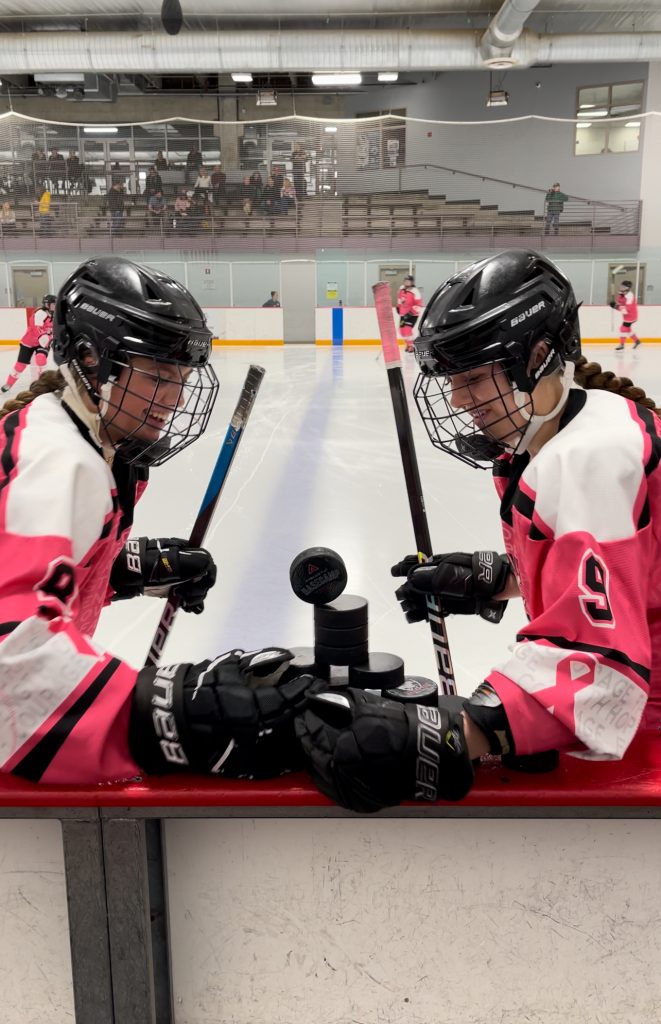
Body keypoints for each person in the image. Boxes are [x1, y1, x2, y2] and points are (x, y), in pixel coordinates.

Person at [296, 249, 661, 813]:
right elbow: (624, 573)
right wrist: (499, 578)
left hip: (646, 725)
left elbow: (601, 670)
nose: (461, 401)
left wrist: (465, 731)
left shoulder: (590, 458)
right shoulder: (573, 427)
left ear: (538, 357)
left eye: (472, 379)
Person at [0, 256, 320, 784]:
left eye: (182, 377)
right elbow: (12, 667)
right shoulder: (58, 463)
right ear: (90, 359)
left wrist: (121, 569)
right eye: (158, 376)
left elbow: (27, 578)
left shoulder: (87, 442)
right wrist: (173, 716)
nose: (173, 398)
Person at [1, 294, 56, 394]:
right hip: (29, 343)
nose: (54, 307)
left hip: (42, 343)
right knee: (20, 366)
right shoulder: (40, 313)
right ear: (46, 305)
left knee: (41, 359)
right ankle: (8, 384)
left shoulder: (55, 315)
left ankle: (42, 384)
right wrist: (47, 339)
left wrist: (53, 339)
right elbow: (36, 328)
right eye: (53, 305)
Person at [610, 279, 642, 352]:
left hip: (631, 315)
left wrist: (616, 307)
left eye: (623, 287)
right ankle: (637, 341)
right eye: (621, 286)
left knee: (623, 329)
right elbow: (620, 305)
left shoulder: (629, 296)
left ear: (627, 288)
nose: (621, 288)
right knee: (627, 329)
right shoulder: (621, 294)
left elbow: (626, 310)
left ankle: (622, 345)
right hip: (627, 316)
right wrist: (615, 305)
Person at [396, 275, 423, 353]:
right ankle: (408, 344)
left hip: (412, 315)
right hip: (403, 314)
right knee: (402, 331)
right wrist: (398, 307)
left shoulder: (415, 291)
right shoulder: (401, 289)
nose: (407, 282)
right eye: (405, 281)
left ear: (412, 282)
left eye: (408, 281)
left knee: (407, 330)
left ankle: (411, 346)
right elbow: (400, 299)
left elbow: (419, 305)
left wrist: (411, 313)